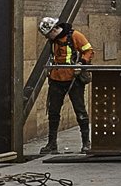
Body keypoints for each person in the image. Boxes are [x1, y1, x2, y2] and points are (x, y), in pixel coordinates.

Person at [40, 14, 96, 155]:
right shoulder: (53, 40)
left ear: (53, 30)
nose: (47, 38)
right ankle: (52, 144)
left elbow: (89, 51)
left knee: (80, 111)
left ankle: (86, 143)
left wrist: (81, 64)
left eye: (47, 35)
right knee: (53, 111)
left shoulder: (75, 36)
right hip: (56, 78)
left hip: (73, 79)